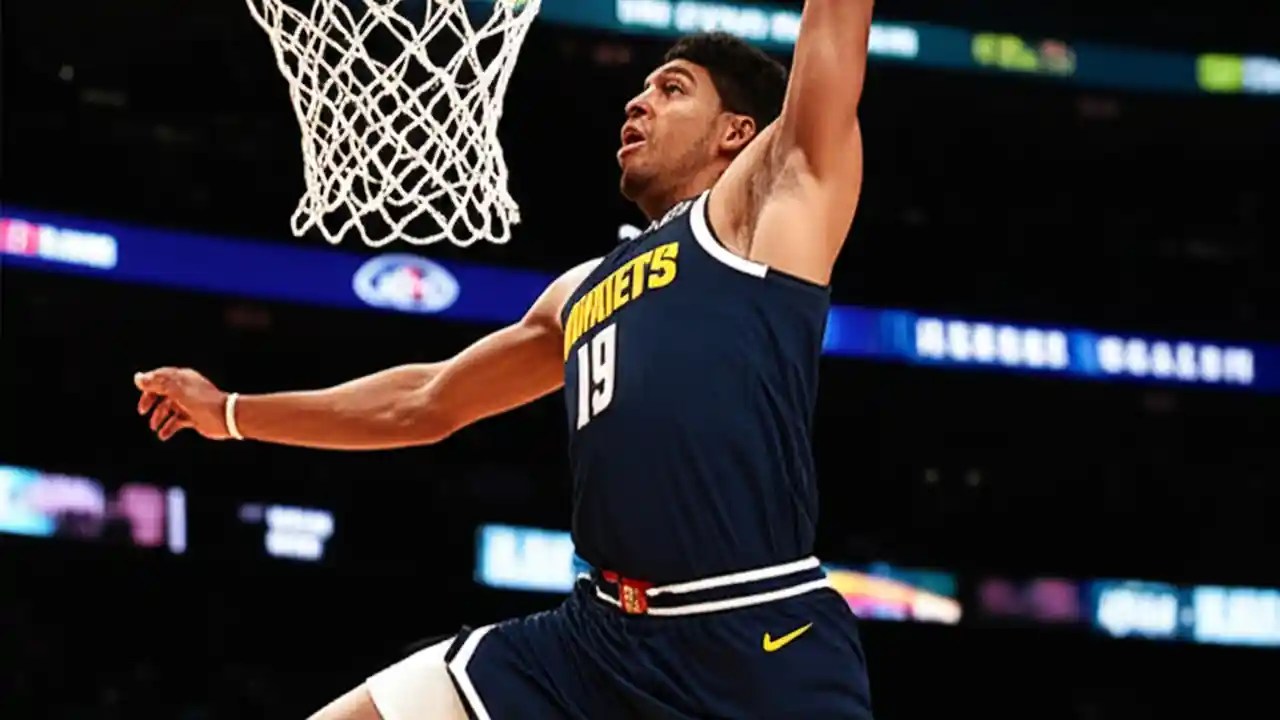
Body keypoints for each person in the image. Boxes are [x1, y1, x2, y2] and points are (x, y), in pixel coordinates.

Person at [134, 1, 876, 717]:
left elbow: (835, 37)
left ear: (737, 133)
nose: (637, 101)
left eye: (671, 89)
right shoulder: (580, 290)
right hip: (591, 643)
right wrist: (228, 413)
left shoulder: (767, 207)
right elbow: (425, 400)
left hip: (751, 636)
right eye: (643, 85)